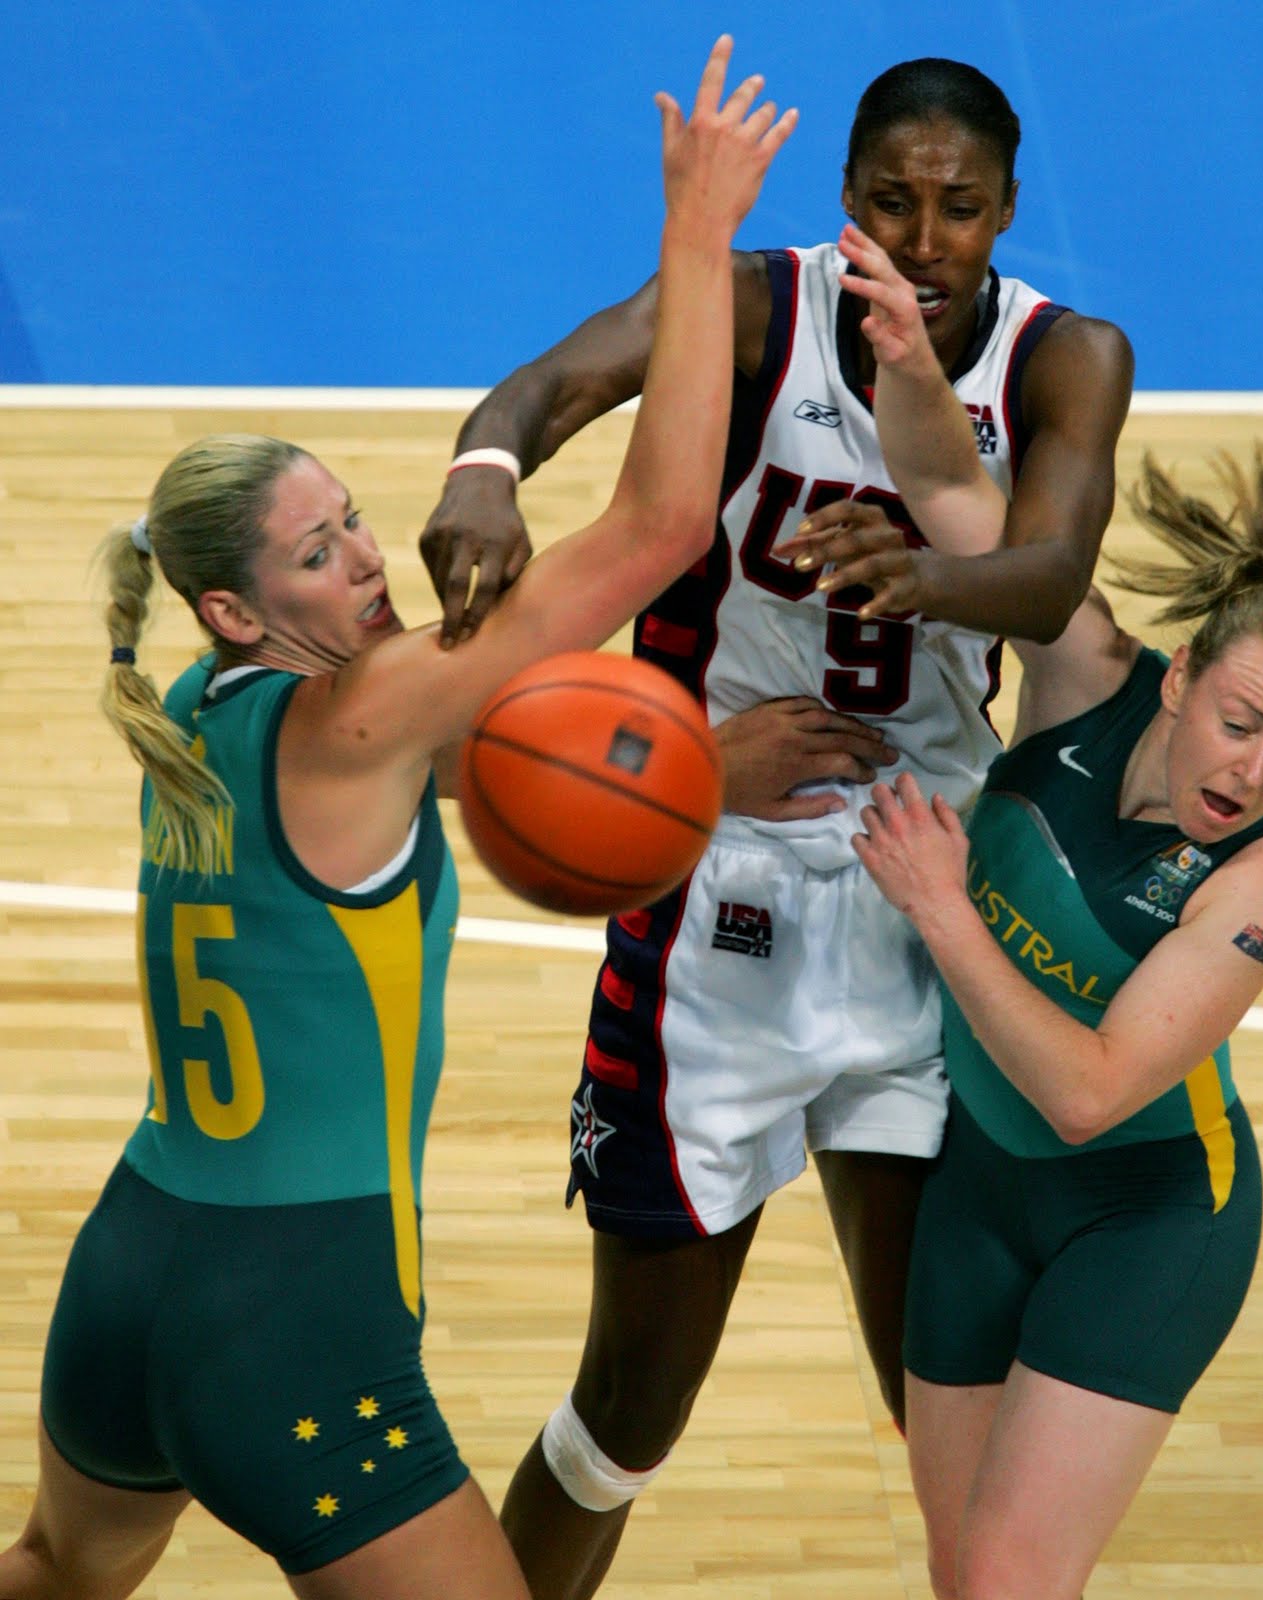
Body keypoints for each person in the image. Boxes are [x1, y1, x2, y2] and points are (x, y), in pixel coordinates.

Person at [0, 38, 795, 1600]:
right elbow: (654, 528)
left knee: (56, 1573)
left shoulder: (205, 718)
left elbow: (486, 767)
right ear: (239, 607)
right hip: (290, 1311)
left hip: (132, 1271)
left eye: (350, 518)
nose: (367, 561)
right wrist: (694, 239)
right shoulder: (356, 715)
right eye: (319, 555)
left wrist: (697, 765)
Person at [417, 54, 1133, 1600]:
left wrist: (922, 569)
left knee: (942, 1404)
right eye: (890, 200)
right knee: (628, 1414)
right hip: (706, 883)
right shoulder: (756, 303)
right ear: (844, 200)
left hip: (923, 896)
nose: (924, 235)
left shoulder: (1064, 357)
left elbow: (1053, 577)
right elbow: (546, 386)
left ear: (1010, 209)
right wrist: (485, 469)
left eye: (957, 207)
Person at [837, 442, 1263, 1600]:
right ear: (1177, 680)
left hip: (1149, 1216)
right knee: (958, 1568)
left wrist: (939, 905)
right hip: (978, 1185)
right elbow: (954, 495)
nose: (1255, 768)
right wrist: (908, 357)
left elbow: (1087, 1093)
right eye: (1238, 722)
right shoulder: (1088, 681)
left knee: (1014, 1577)